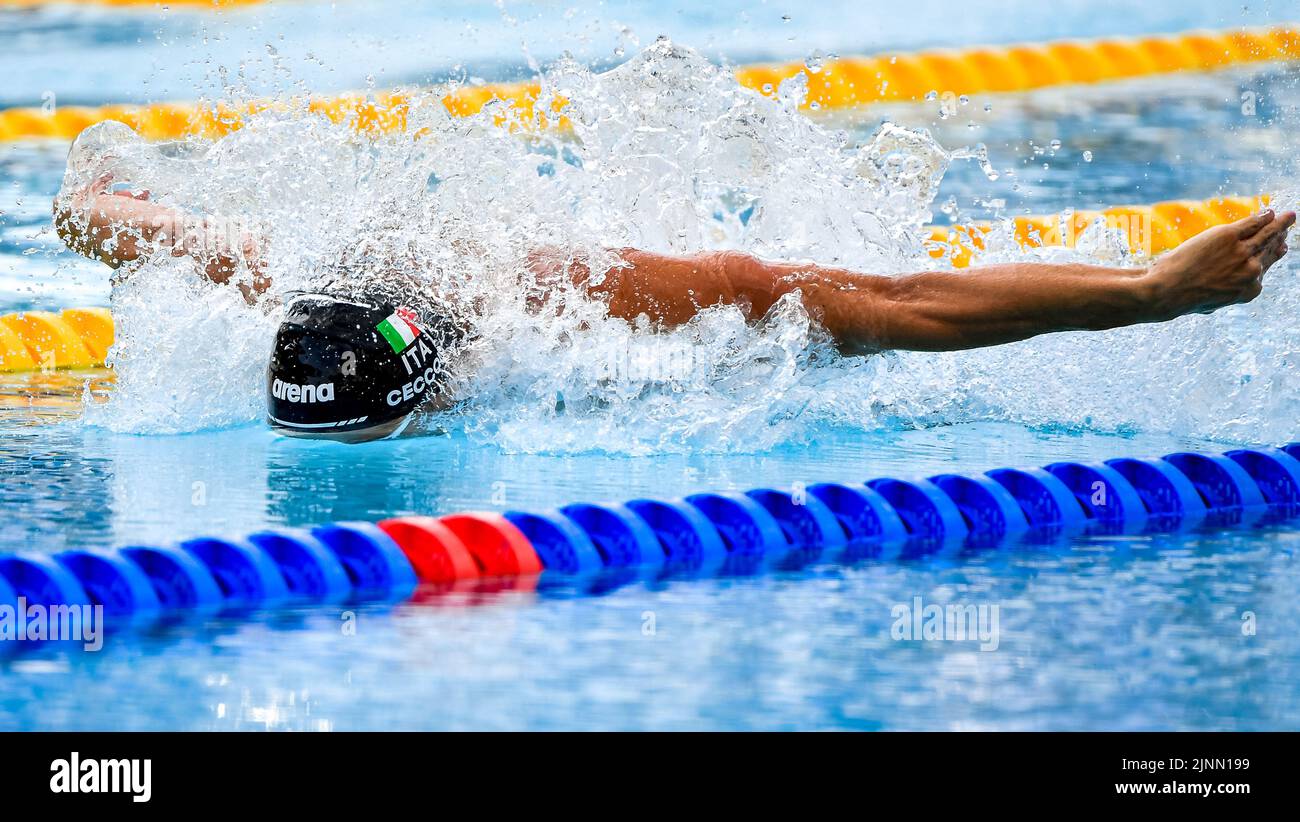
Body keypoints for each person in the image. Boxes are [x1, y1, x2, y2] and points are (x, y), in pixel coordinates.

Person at [54, 167, 1295, 442]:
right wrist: (93, 211)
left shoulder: (580, 308)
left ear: (442, 383)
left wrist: (1150, 290)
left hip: (639, 285)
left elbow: (899, 300)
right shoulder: (294, 286)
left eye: (384, 432)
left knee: (816, 309)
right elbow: (141, 228)